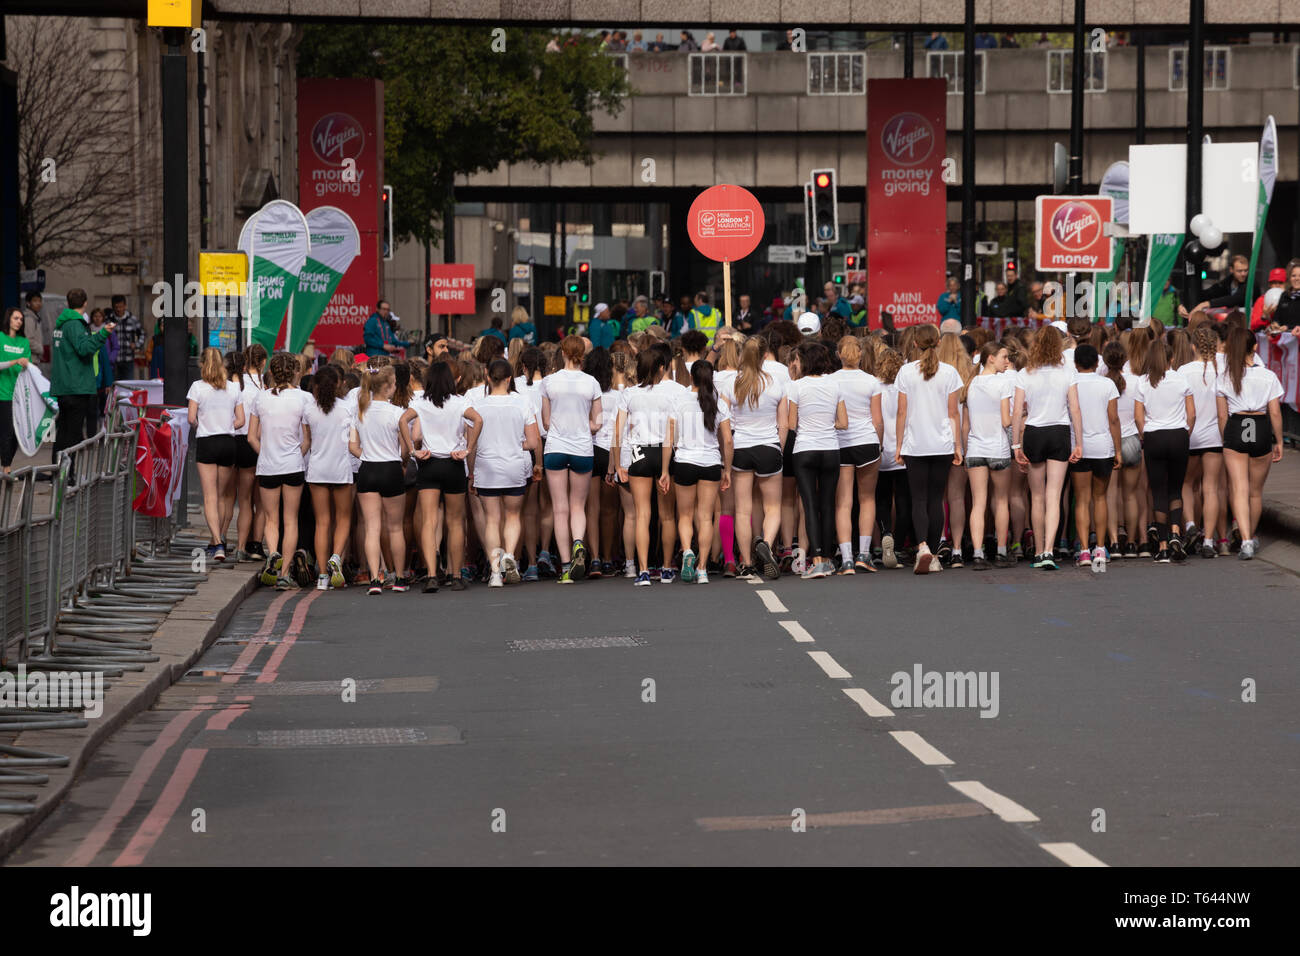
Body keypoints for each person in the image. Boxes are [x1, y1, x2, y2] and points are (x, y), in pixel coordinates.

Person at [402, 361, 482, 592]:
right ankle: (456, 575)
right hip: (453, 463)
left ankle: (431, 575)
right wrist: (468, 448)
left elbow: (402, 421)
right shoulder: (459, 402)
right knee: (456, 522)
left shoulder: (420, 402)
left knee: (429, 521)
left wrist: (411, 450)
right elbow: (478, 420)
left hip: (428, 462)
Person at [1011, 325, 1082, 571]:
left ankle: (1039, 549)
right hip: (1059, 431)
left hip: (1033, 432)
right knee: (1054, 494)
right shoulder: (1067, 372)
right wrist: (1079, 442)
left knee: (1037, 496)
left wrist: (1015, 445)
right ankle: (1050, 550)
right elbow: (1074, 409)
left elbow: (1017, 411)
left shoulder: (1025, 373)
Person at [895, 325, 964, 573]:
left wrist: (899, 445)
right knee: (936, 500)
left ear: (915, 344)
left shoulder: (905, 372)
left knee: (919, 499)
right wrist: (958, 446)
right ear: (937, 343)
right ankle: (933, 554)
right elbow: (953, 413)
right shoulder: (950, 372)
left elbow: (901, 412)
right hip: (942, 442)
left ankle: (922, 545)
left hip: (915, 443)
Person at [468, 358, 541, 588]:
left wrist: (471, 474)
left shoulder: (477, 407)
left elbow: (472, 445)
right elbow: (533, 441)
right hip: (513, 465)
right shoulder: (522, 403)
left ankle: (495, 572)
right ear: (510, 379)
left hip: (486, 466)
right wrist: (515, 444)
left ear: (488, 377)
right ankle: (510, 555)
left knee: (492, 519)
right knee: (512, 516)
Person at [616, 345, 685, 585]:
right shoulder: (671, 395)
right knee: (667, 516)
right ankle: (666, 567)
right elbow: (672, 433)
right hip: (663, 452)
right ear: (661, 369)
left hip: (639, 453)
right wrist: (666, 469)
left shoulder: (629, 394)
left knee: (642, 514)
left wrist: (618, 464)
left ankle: (643, 570)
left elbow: (618, 432)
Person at [720, 337, 786, 579]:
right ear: (764, 356)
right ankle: (766, 543)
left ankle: (746, 561)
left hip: (742, 448)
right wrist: (779, 448)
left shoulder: (731, 384)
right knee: (772, 507)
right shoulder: (776, 383)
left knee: (742, 510)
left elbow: (724, 424)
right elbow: (784, 423)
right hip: (769, 445)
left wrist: (726, 463)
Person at [1217, 325, 1284, 560]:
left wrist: (1227, 437)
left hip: (1236, 427)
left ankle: (1244, 539)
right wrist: (1279, 441)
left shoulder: (1225, 376)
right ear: (1255, 347)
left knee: (1239, 489)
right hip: (1261, 427)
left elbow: (1222, 415)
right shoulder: (1268, 376)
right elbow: (1275, 412)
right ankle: (1252, 535)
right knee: (1255, 492)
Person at [541, 334, 603, 583]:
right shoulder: (591, 383)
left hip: (555, 446)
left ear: (563, 353)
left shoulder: (548, 382)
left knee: (560, 508)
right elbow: (598, 423)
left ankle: (566, 566)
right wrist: (584, 425)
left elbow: (545, 421)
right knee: (578, 505)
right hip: (582, 448)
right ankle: (579, 542)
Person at [665, 360, 732, 584]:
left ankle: (686, 551)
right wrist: (727, 469)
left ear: (691, 377)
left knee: (684, 515)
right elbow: (728, 441)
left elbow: (669, 439)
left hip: (684, 461)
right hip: (711, 462)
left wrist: (665, 469)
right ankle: (702, 568)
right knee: (706, 517)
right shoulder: (718, 403)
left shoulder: (679, 400)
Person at [349, 365, 414, 594]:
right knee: (395, 528)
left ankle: (375, 579)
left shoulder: (360, 412)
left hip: (367, 469)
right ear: (387, 387)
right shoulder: (397, 413)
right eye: (394, 383)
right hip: (391, 468)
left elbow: (352, 446)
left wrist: (367, 456)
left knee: (372, 528)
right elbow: (406, 447)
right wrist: (402, 460)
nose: (395, 387)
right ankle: (399, 578)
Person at [249, 353, 311, 589]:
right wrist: (298, 453)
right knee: (291, 520)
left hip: (268, 466)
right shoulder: (303, 398)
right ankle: (285, 572)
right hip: (293, 465)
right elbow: (307, 438)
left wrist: (265, 452)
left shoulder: (260, 398)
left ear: (272, 373)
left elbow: (252, 437)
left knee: (271, 519)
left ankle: (273, 554)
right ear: (296, 372)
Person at [787, 340, 848, 579]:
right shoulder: (835, 384)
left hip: (805, 449)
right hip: (831, 448)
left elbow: (791, 424)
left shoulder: (797, 386)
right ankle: (829, 559)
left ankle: (818, 558)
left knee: (809, 505)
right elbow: (843, 423)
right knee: (827, 504)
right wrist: (827, 424)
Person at [1134, 338, 1195, 562]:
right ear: (1171, 358)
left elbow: (1138, 417)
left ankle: (1162, 546)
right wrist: (1185, 433)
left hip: (1154, 436)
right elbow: (1192, 413)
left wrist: (1145, 435)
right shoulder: (1182, 380)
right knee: (1175, 488)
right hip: (1178, 434)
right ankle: (1176, 532)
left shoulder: (1143, 382)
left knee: (1158, 490)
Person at [302, 365, 357, 591]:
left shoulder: (309, 410)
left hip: (317, 468)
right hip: (340, 467)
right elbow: (352, 443)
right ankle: (336, 558)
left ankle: (323, 575)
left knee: (322, 522)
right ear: (338, 384)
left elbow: (307, 442)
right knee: (343, 518)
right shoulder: (347, 409)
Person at [832, 336, 883, 573]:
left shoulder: (831, 381)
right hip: (867, 442)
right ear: (860, 354)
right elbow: (877, 420)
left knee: (843, 503)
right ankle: (864, 553)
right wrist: (879, 445)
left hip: (840, 443)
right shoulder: (871, 381)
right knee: (867, 499)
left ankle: (846, 559)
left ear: (839, 354)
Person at [187, 348, 244, 561]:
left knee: (209, 497)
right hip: (228, 442)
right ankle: (217, 538)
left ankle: (217, 543)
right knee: (221, 496)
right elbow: (241, 421)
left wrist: (201, 425)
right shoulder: (233, 387)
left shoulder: (197, 387)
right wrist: (226, 423)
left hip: (207, 441)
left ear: (202, 364)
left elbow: (191, 417)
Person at [962, 342, 1015, 569]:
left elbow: (966, 423)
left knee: (978, 503)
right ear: (991, 358)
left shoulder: (971, 383)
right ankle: (1002, 551)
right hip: (998, 447)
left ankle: (977, 552)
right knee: (1001, 500)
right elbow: (1005, 421)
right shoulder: (1003, 383)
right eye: (1004, 357)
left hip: (975, 447)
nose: (1007, 361)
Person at [1069, 344, 1122, 571]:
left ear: (1075, 363)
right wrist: (1118, 450)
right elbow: (1113, 419)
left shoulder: (1071, 384)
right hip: (1103, 446)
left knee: (1081, 500)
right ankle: (1100, 547)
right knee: (1100, 498)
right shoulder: (1107, 384)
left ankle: (1083, 550)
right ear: (1097, 362)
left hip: (1079, 446)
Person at [50, 289, 114, 468]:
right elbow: (85, 348)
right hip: (76, 387)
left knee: (63, 432)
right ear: (85, 303)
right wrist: (103, 334)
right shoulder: (75, 325)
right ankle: (67, 475)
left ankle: (58, 472)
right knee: (73, 435)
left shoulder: (61, 325)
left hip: (64, 387)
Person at [875, 348, 911, 569]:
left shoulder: (874, 387)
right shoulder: (905, 389)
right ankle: (898, 546)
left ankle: (885, 535)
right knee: (904, 501)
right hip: (903, 449)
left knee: (882, 499)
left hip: (881, 450)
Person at [0, 307, 33, 474]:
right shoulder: (0, 338)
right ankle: (6, 468)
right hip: (3, 392)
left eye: (21, 319)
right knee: (6, 432)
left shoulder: (24, 342)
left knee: (17, 435)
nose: (19, 321)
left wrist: (29, 365)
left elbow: (29, 367)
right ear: (9, 319)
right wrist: (15, 361)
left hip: (19, 394)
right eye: (16, 318)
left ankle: (6, 462)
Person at [1182, 255, 1254, 316]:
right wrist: (1184, 303)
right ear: (1231, 270)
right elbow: (1210, 293)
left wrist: (1207, 304)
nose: (1243, 274)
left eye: (1246, 270)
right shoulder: (1228, 281)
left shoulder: (1251, 283)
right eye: (1239, 271)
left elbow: (1235, 299)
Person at [110, 295, 145, 381]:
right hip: (113, 360)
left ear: (125, 306)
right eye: (116, 307)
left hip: (128, 359)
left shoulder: (132, 320)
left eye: (121, 307)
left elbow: (142, 334)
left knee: (128, 385)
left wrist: (136, 345)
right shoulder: (109, 320)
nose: (118, 309)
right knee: (114, 386)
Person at [22, 292, 45, 366]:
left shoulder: (35, 318)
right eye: (35, 301)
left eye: (40, 301)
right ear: (28, 303)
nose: (38, 303)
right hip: (29, 359)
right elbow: (28, 340)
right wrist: (40, 349)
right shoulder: (29, 319)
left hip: (34, 359)